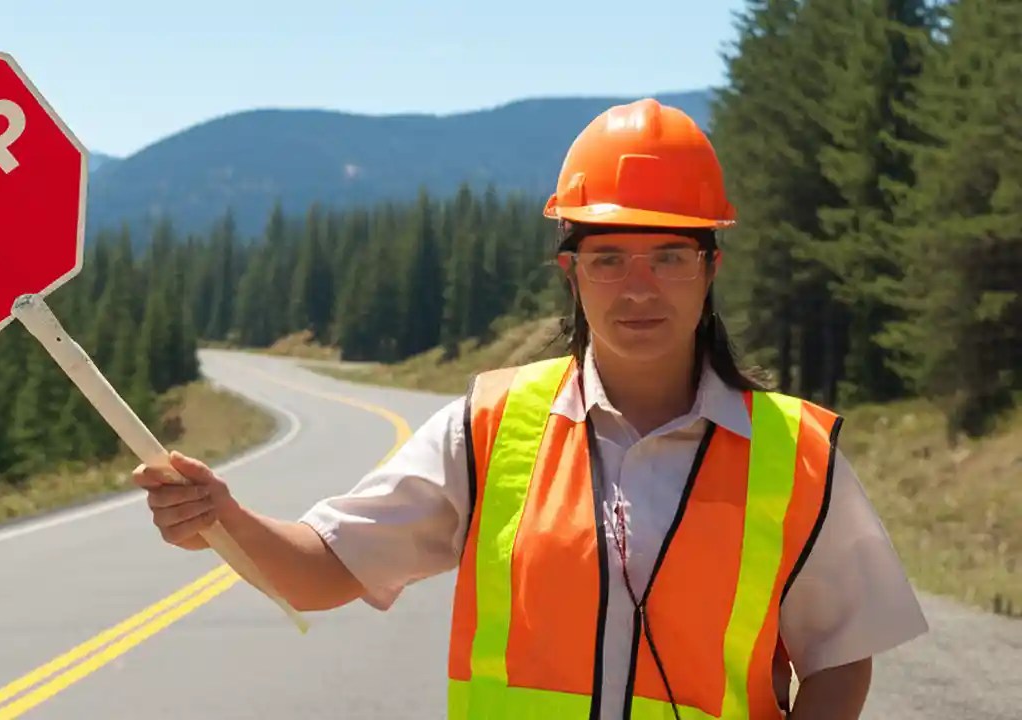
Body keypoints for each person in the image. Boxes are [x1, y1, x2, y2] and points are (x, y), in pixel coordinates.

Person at [131, 98, 929, 719]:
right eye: (609, 258)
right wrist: (221, 516)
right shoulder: (489, 429)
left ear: (710, 269)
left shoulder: (796, 454)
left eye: (669, 258)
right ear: (569, 273)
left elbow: (840, 655)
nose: (639, 286)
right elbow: (321, 572)